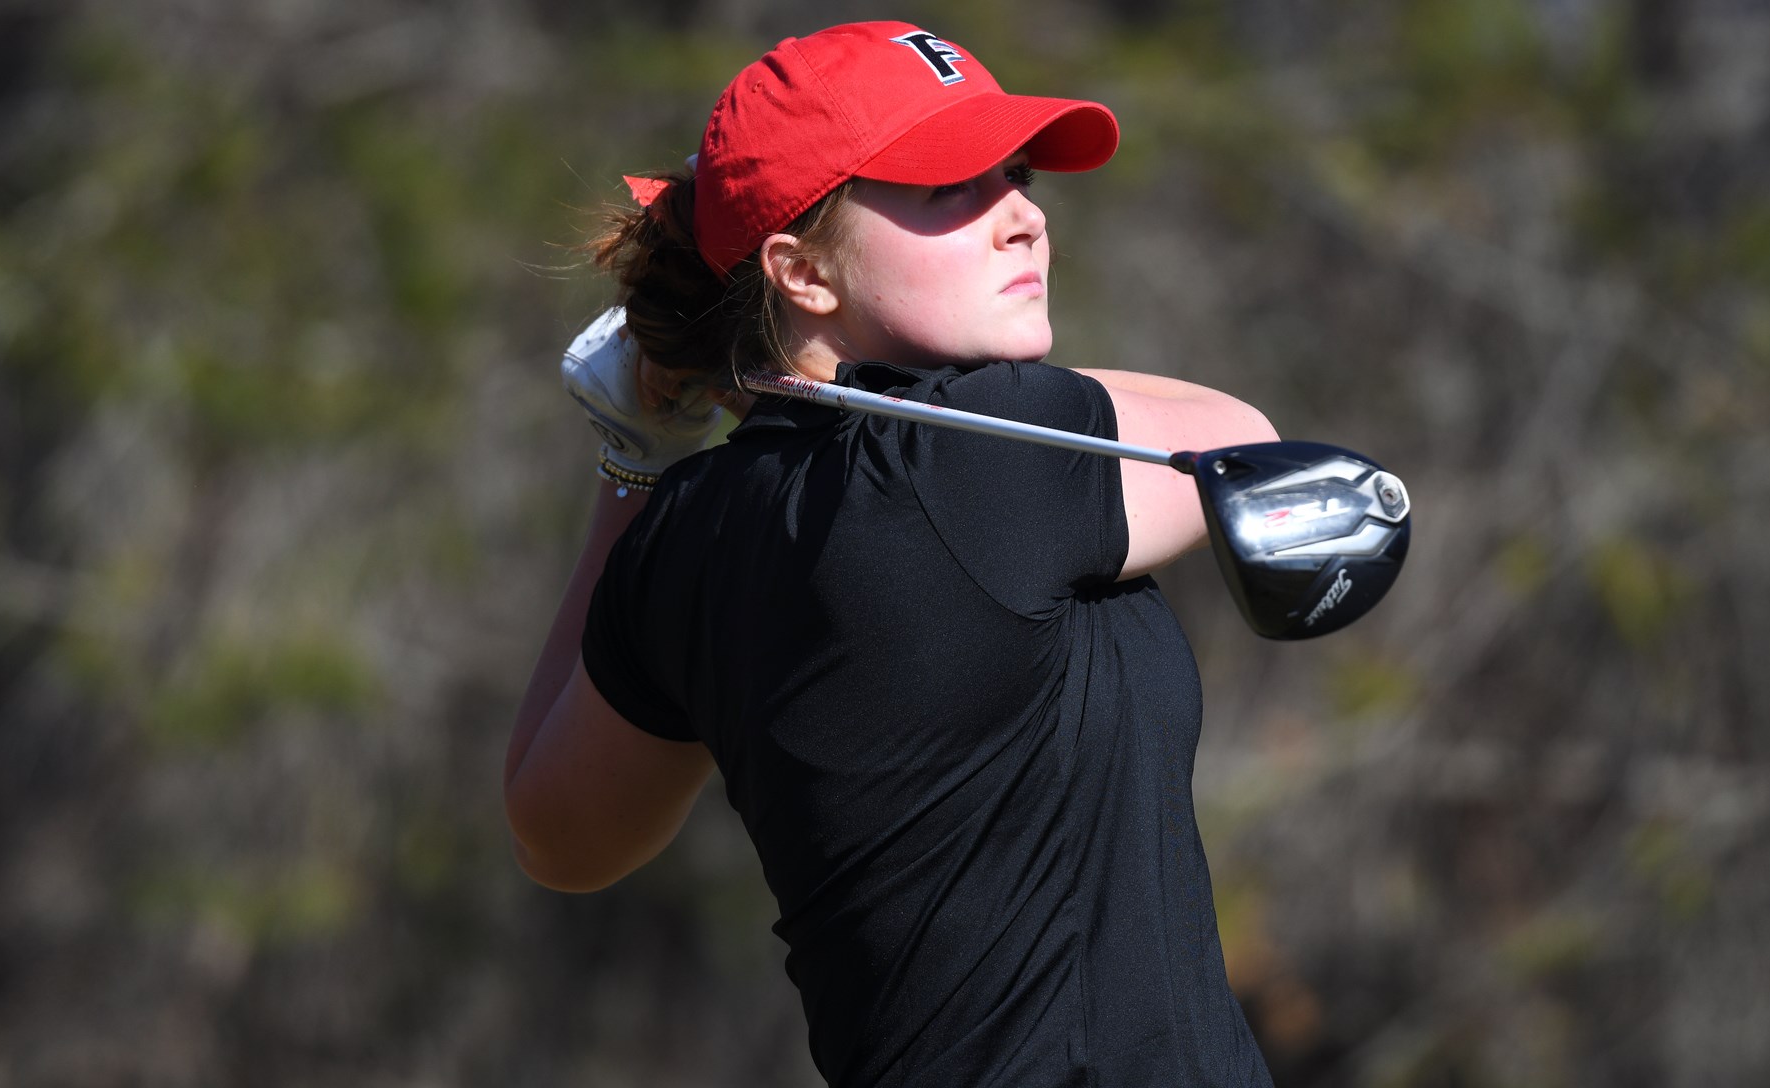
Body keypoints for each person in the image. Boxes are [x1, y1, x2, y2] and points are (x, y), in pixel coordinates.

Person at [505, 21, 1280, 1088]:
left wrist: (631, 463)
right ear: (801, 268)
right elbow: (1242, 440)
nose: (1023, 218)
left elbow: (560, 838)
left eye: (1013, 176)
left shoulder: (689, 524)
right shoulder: (971, 458)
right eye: (948, 187)